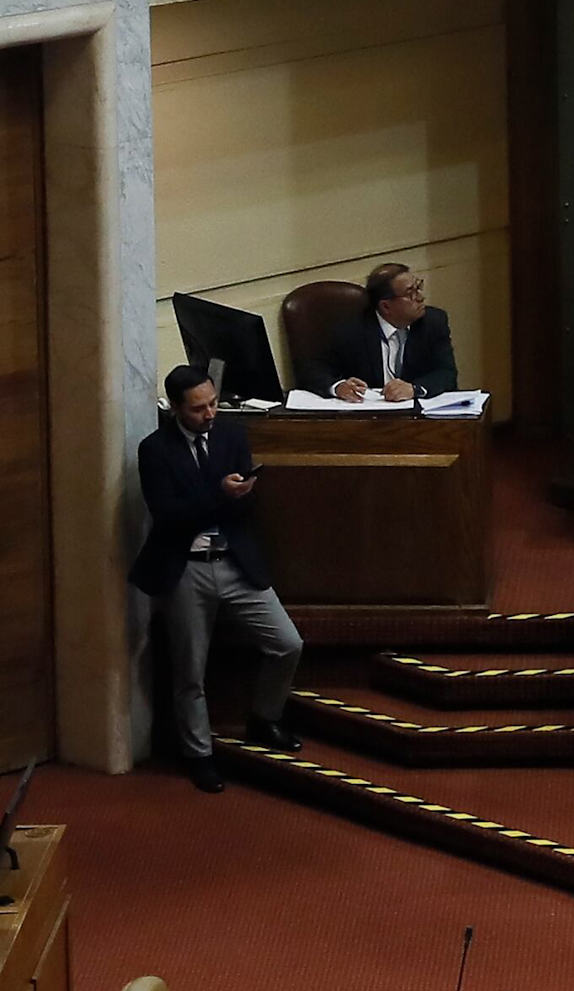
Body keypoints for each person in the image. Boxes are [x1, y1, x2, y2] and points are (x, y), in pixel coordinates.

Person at [128, 367, 304, 792]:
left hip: (235, 560)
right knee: (190, 670)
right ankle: (199, 754)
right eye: (198, 408)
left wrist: (223, 499)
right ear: (175, 409)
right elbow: (168, 516)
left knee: (287, 643)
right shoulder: (155, 450)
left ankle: (264, 718)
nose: (209, 414)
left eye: (213, 403)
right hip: (185, 566)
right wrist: (219, 495)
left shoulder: (231, 436)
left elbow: (243, 505)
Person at [315, 262, 461, 401]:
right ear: (385, 306)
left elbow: (446, 373)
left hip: (417, 412)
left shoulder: (433, 322)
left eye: (418, 287)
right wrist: (338, 387)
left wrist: (414, 389)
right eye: (410, 293)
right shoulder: (351, 329)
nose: (421, 297)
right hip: (368, 412)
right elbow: (315, 370)